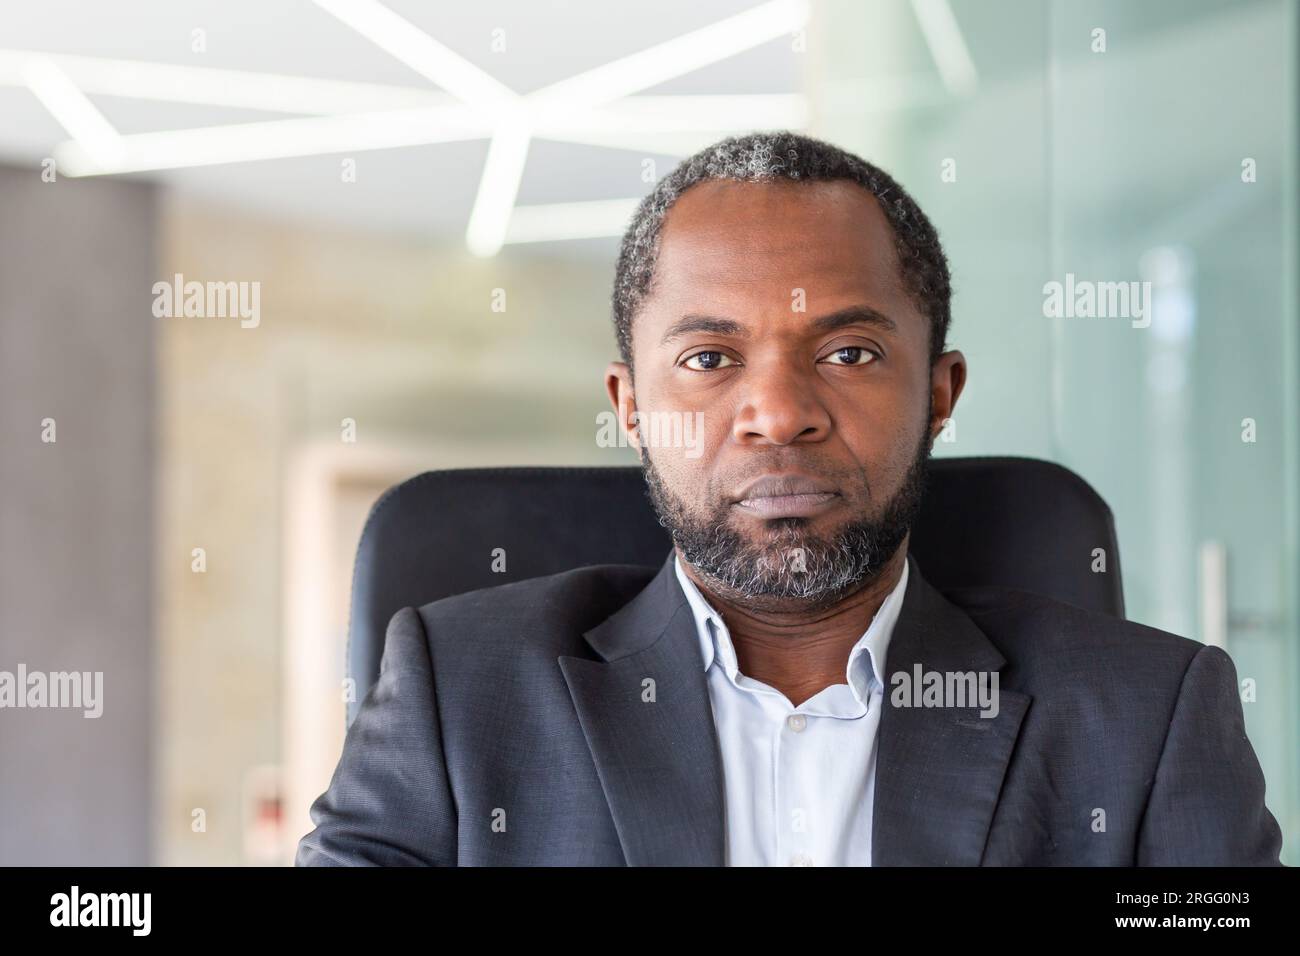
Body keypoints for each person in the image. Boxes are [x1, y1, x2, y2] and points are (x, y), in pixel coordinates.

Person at [296, 131, 1282, 866]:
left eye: (848, 352)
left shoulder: (1145, 715)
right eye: (709, 357)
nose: (777, 412)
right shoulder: (458, 691)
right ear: (630, 406)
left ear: (939, 394)